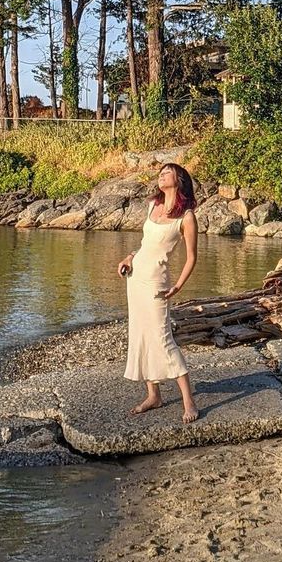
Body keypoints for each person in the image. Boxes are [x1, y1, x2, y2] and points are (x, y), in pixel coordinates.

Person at [117, 162, 200, 423]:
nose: (161, 175)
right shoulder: (153, 205)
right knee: (140, 335)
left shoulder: (186, 217)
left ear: (179, 180)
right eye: (160, 173)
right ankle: (154, 395)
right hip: (135, 277)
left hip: (157, 283)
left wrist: (178, 285)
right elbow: (146, 244)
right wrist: (130, 257)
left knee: (163, 340)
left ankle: (189, 402)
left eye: (166, 172)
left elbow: (191, 257)